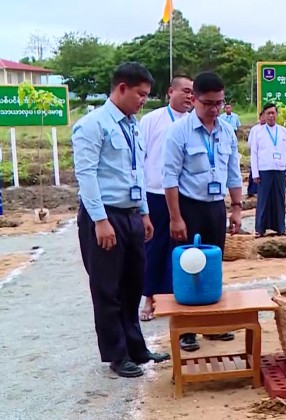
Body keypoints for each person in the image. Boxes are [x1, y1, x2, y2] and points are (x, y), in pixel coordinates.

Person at [72, 62, 170, 377]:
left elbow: (137, 172)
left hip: (131, 215)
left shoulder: (132, 125)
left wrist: (143, 212)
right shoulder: (92, 125)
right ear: (122, 88)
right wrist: (101, 221)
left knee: (132, 284)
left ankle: (136, 348)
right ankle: (116, 355)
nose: (143, 100)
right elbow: (86, 176)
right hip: (104, 215)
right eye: (140, 94)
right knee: (107, 288)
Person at [163, 71, 243, 351]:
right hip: (188, 207)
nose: (214, 109)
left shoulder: (226, 131)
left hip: (215, 209)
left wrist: (236, 208)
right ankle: (186, 330)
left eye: (219, 103)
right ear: (194, 99)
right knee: (187, 268)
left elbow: (233, 173)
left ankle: (212, 326)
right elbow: (169, 178)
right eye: (208, 103)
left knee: (212, 267)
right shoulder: (178, 133)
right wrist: (175, 218)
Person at [138, 75, 193, 322]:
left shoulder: (195, 122)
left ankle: (178, 301)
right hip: (156, 194)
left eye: (193, 92)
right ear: (171, 91)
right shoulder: (152, 120)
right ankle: (149, 298)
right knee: (154, 248)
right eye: (185, 91)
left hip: (186, 196)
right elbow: (139, 159)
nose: (190, 96)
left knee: (183, 251)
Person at [251, 103, 286, 237]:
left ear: (277, 114)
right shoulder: (258, 132)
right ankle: (260, 228)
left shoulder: (283, 131)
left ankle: (281, 227)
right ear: (263, 115)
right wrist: (255, 173)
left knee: (280, 199)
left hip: (280, 169)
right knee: (263, 199)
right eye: (268, 113)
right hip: (264, 169)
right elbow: (254, 153)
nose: (271, 116)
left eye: (273, 113)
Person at [246, 111, 266, 198]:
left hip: (264, 154)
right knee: (253, 171)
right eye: (262, 117)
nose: (263, 119)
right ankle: (251, 190)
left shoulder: (268, 128)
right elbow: (250, 141)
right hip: (255, 153)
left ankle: (259, 191)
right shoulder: (255, 129)